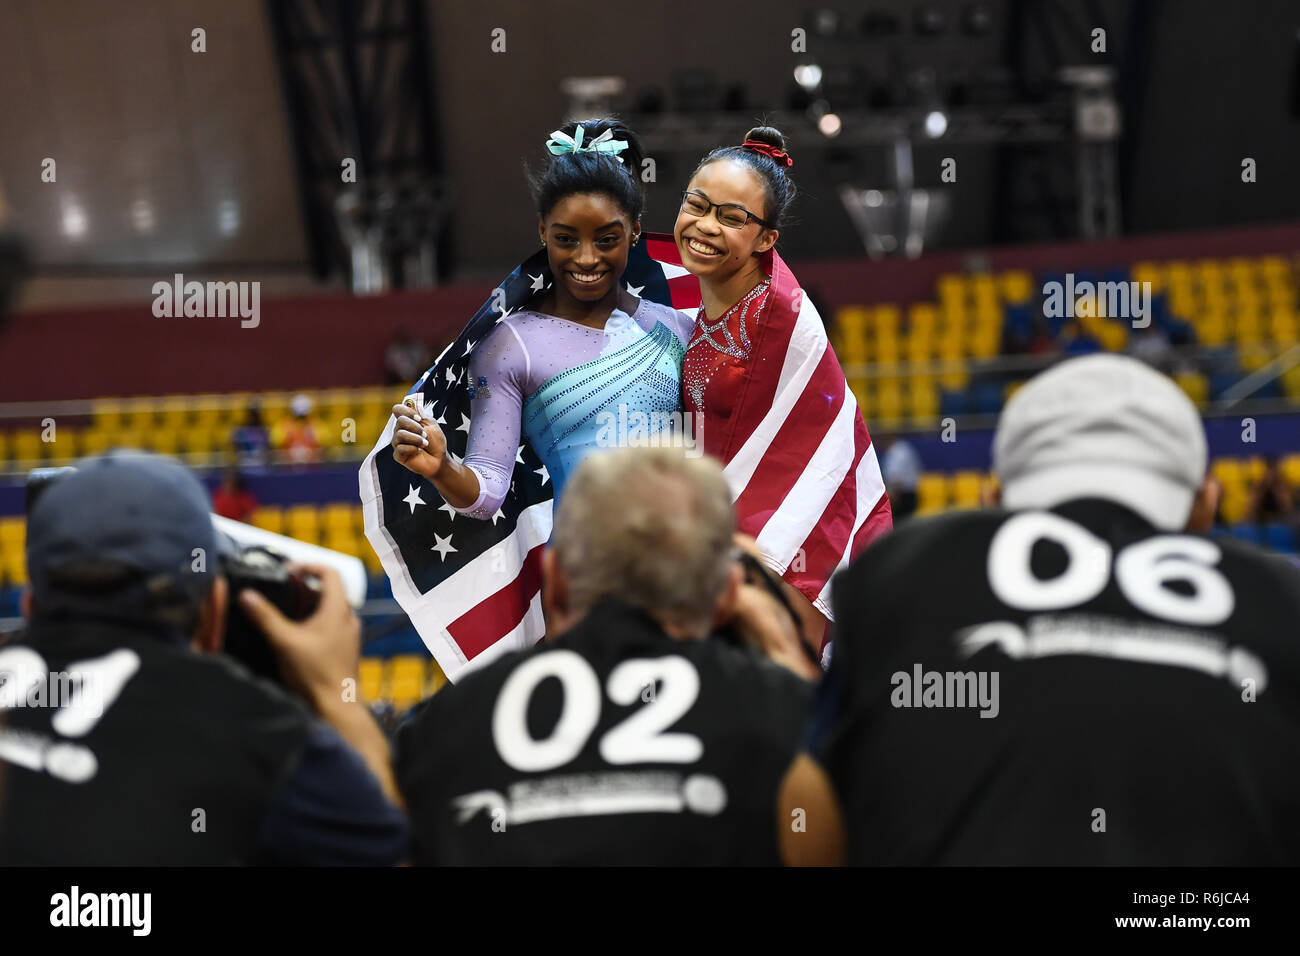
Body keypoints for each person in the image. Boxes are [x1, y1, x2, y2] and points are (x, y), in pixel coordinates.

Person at [780, 354, 1300, 865]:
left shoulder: (897, 577)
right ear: (1206, 505)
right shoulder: (1279, 600)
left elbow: (806, 817)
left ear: (993, 498)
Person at [395, 447, 816, 865]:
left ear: (556, 585)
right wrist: (784, 650)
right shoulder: (784, 718)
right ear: (727, 597)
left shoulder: (449, 725)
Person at [0, 452, 406, 865]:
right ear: (214, 611)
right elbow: (392, 853)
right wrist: (336, 699)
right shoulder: (266, 738)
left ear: (30, 605)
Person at [390, 119, 693, 516]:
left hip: (687, 570)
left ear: (634, 231)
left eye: (606, 239)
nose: (586, 258)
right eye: (566, 238)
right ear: (542, 231)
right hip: (584, 572)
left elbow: (714, 451)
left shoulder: (679, 329)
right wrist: (443, 468)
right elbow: (488, 490)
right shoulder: (510, 346)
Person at [673, 126, 892, 648]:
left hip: (788, 550)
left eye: (731, 218)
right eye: (696, 205)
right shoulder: (692, 308)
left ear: (767, 240)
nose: (704, 226)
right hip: (723, 544)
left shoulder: (781, 320)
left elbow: (814, 452)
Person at [274, 394, 322, 465]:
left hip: (311, 467)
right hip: (288, 467)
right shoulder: (283, 426)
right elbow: (277, 443)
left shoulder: (317, 425)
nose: (301, 418)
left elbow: (321, 445)